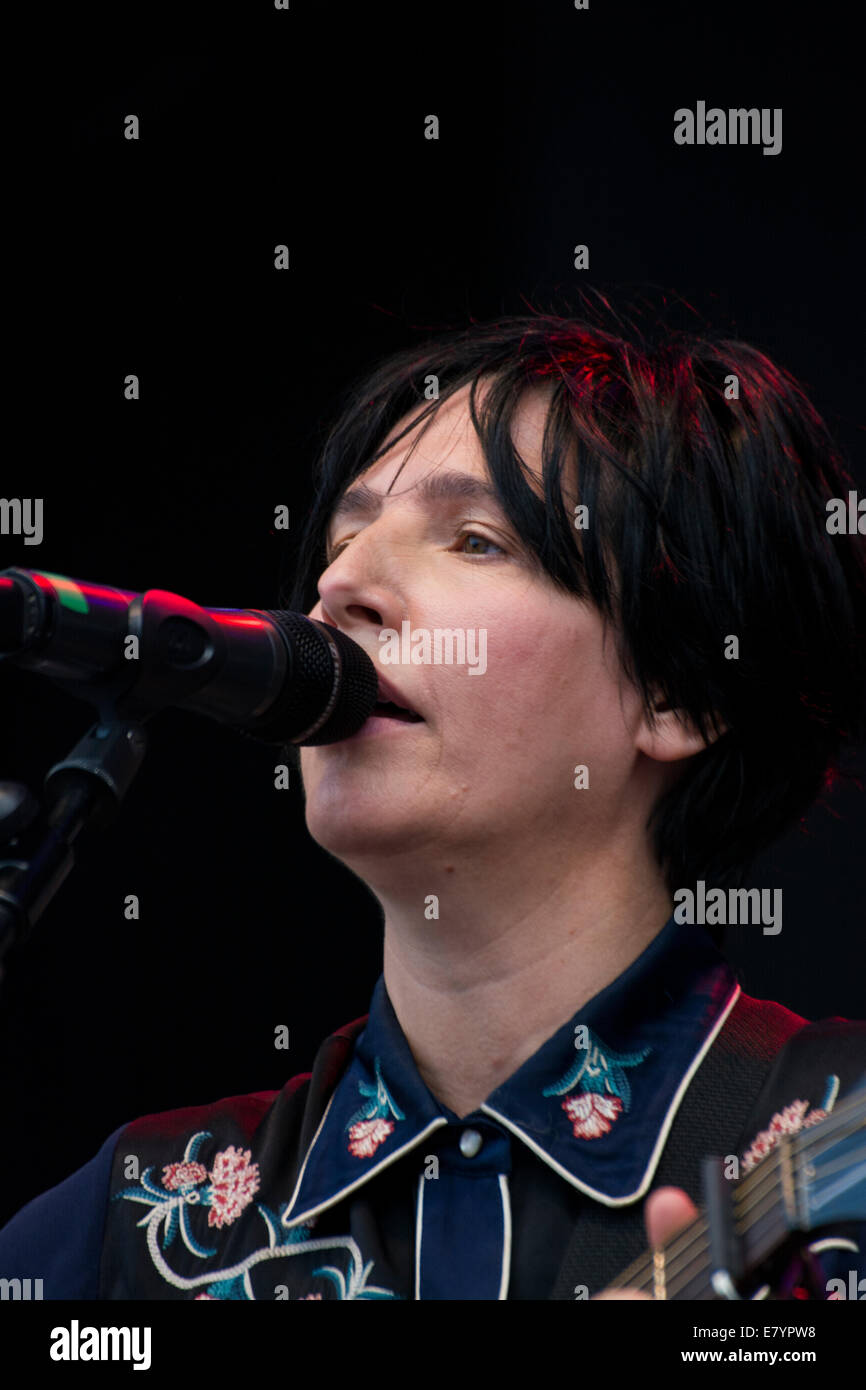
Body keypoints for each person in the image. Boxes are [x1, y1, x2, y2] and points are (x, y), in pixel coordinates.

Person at [1, 309, 864, 1301]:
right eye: (346, 534)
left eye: (472, 539)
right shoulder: (132, 1224)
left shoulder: (841, 1156)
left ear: (681, 690)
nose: (339, 584)